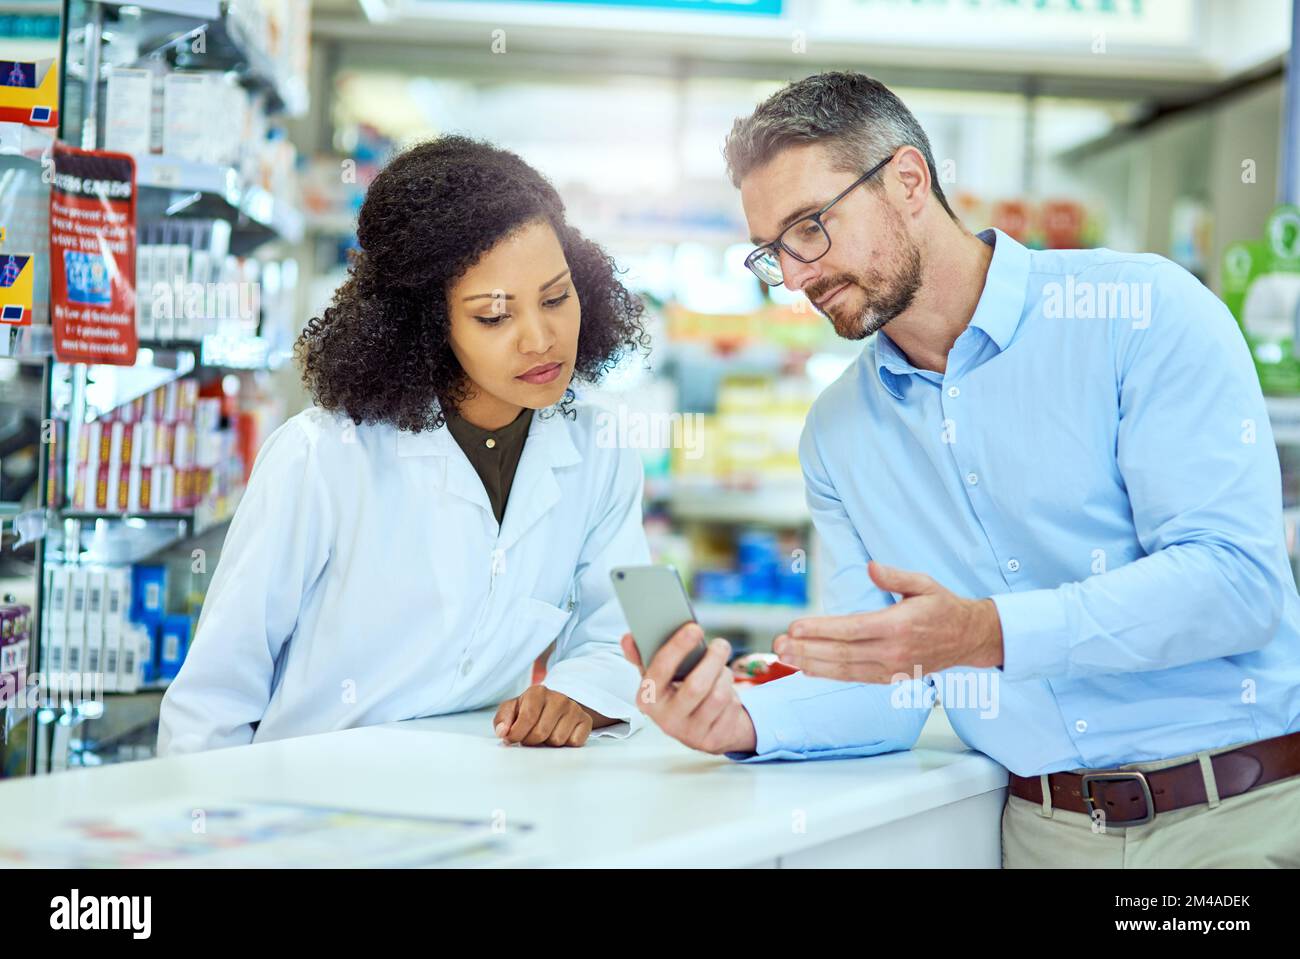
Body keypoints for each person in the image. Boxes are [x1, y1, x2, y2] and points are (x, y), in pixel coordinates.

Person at [624, 71, 1300, 867]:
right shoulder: (838, 433)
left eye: (810, 228)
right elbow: (887, 688)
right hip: (1038, 835)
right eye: (772, 253)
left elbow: (1235, 585)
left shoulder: (1141, 313)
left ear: (908, 179)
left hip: (1234, 819)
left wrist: (986, 632)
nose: (797, 276)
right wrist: (740, 720)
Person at [159, 136, 650, 755]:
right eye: (494, 317)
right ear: (426, 321)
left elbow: (624, 633)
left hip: (482, 802)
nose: (540, 339)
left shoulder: (597, 440)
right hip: (313, 811)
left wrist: (579, 693)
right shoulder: (322, 457)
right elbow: (213, 700)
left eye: (556, 298)